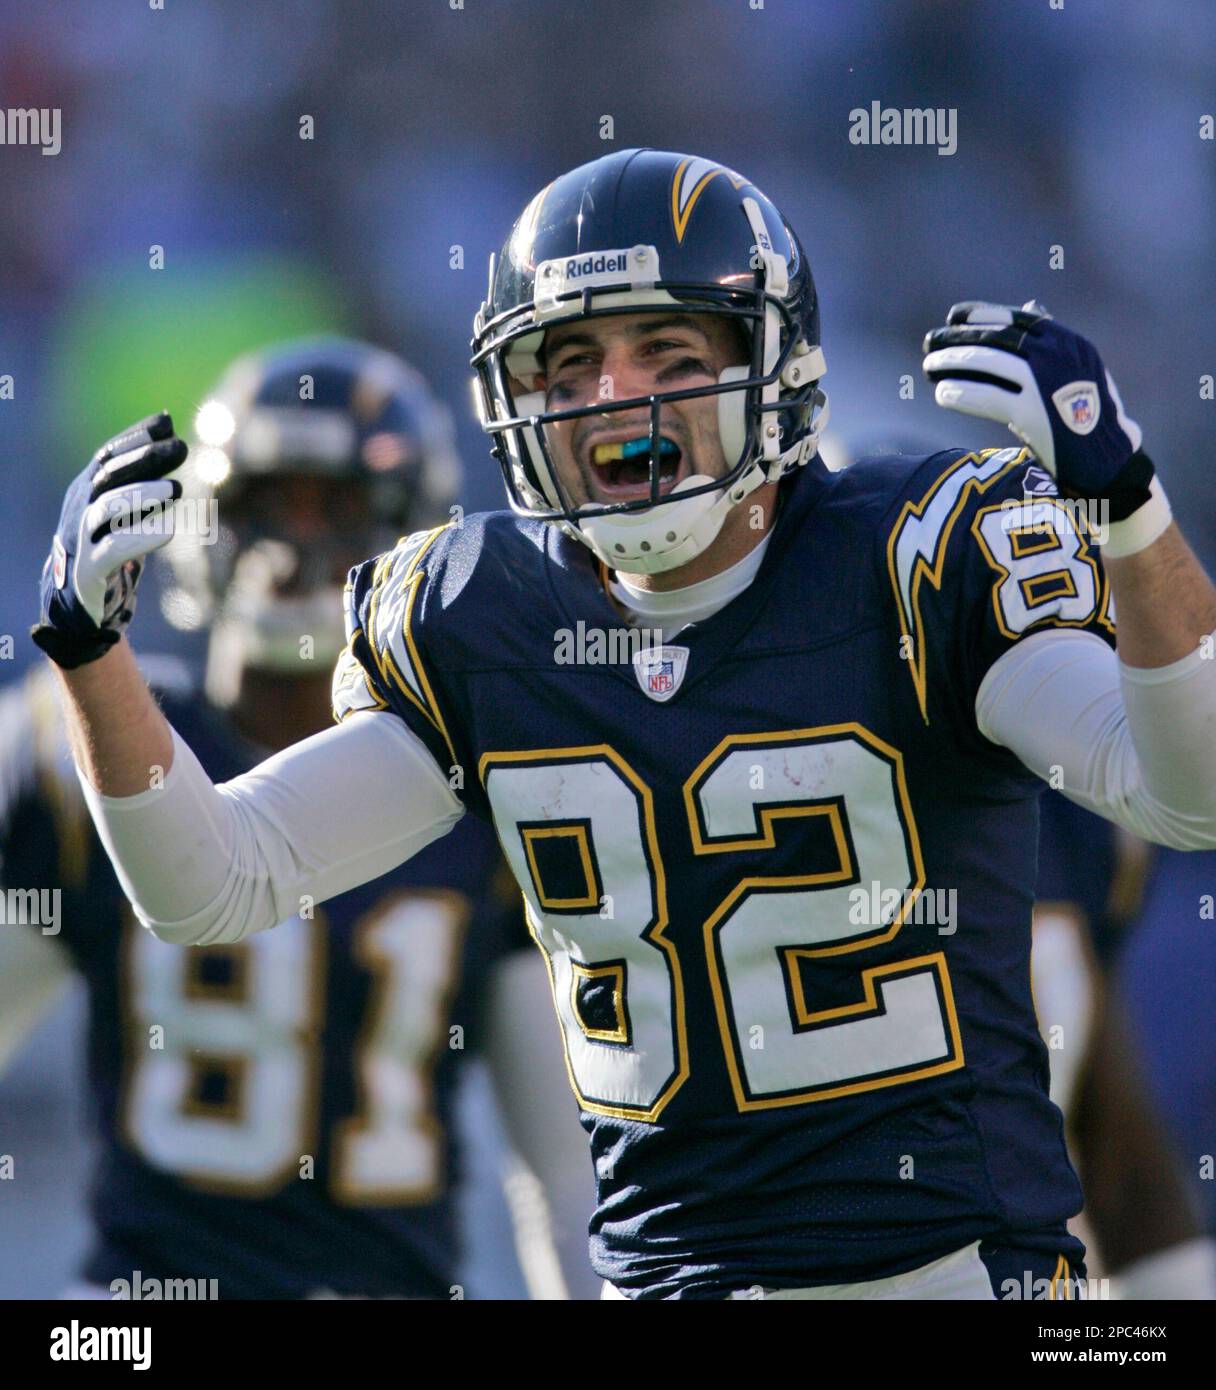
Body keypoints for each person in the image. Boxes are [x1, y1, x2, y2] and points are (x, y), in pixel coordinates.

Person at [31, 150, 1216, 1300]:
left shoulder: (915, 557)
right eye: (570, 360)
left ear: (773, 366)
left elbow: (1186, 793)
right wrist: (92, 654)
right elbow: (212, 884)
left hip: (950, 1274)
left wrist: (1128, 508)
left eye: (667, 350)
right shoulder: (481, 616)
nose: (614, 396)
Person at [4, 338, 595, 1299]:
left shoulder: (476, 777)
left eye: (340, 511)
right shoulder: (83, 752)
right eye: (263, 506)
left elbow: (563, 1181)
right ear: (203, 527)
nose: (293, 544)